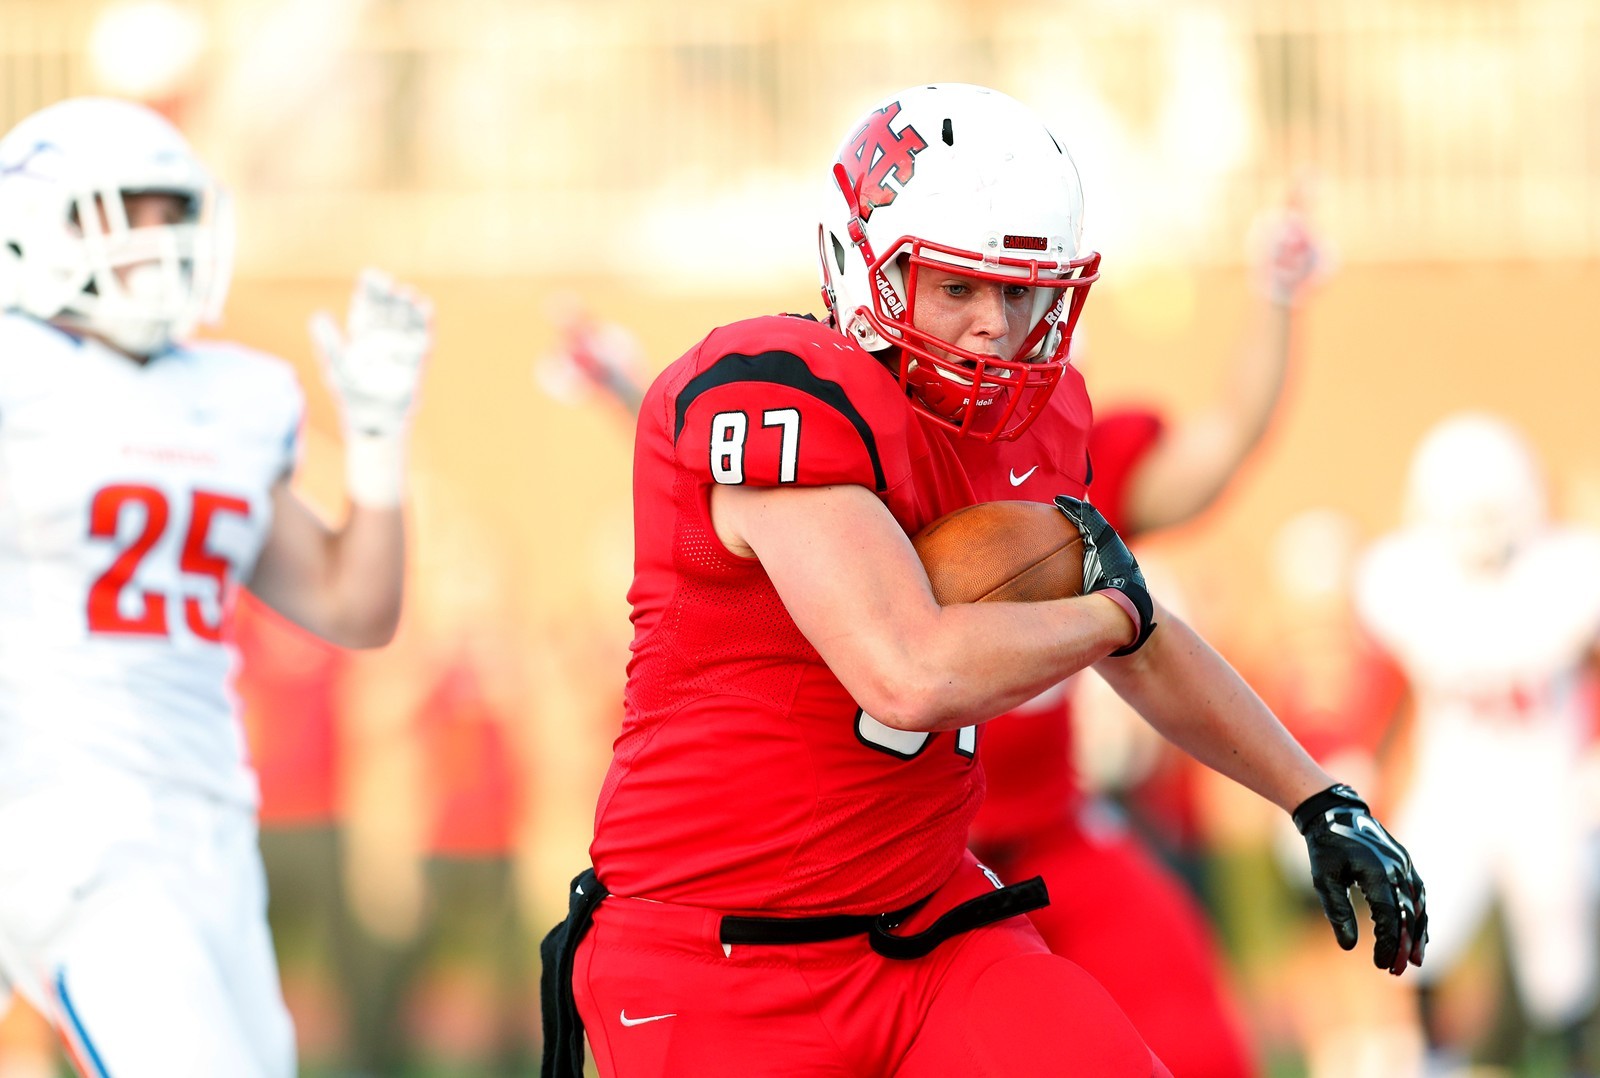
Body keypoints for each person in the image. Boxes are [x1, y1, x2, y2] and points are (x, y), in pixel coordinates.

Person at [541, 83, 1425, 1078]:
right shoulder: (773, 384)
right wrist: (1106, 614)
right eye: (957, 288)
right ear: (860, 263)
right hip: (714, 953)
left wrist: (1315, 796)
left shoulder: (1038, 429)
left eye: (1019, 291)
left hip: (926, 932)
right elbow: (910, 670)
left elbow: (1139, 630)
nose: (993, 327)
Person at [0, 97, 431, 1077]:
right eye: (126, 212)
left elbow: (353, 606)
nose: (159, 239)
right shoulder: (15, 371)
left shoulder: (231, 396)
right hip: (65, 815)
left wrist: (374, 439)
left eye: (171, 212)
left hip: (207, 819)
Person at [956, 203, 1319, 1078]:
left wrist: (1276, 290)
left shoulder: (1081, 464)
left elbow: (1224, 442)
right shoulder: (883, 458)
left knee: (1192, 1039)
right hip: (905, 847)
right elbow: (770, 504)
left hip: (1051, 827)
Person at [1355, 413, 1600, 1075]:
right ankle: (1437, 1060)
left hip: (1544, 786)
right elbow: (1379, 682)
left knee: (1561, 936)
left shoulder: (1567, 573)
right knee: (1411, 918)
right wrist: (1358, 761)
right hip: (1453, 789)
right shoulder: (1405, 580)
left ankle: (1575, 1057)